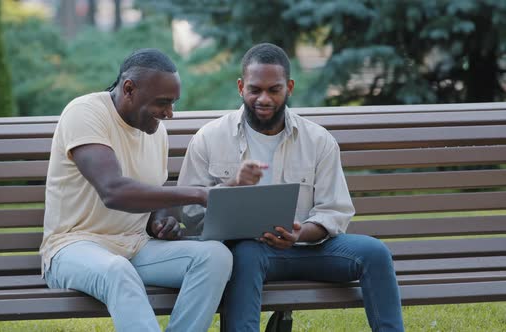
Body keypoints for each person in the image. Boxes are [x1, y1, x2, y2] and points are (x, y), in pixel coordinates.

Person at [177, 43, 404, 331]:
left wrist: (300, 233)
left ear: (290, 87)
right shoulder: (210, 138)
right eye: (255, 89)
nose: (264, 98)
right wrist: (231, 186)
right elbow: (191, 214)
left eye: (274, 89)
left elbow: (334, 211)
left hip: (311, 248)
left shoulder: (318, 140)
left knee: (375, 253)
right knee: (246, 252)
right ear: (240, 87)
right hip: (253, 255)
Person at [40, 48, 233, 332]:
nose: (170, 113)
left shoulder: (156, 132)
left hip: (136, 246)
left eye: (173, 103)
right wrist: (198, 194)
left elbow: (152, 193)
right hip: (73, 248)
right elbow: (113, 191)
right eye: (163, 103)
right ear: (129, 89)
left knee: (215, 256)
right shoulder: (85, 113)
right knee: (118, 270)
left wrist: (160, 220)